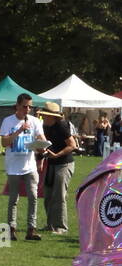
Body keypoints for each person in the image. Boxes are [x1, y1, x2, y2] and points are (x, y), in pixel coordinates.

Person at [0, 92, 45, 241]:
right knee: (13, 199)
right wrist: (19, 130)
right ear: (17, 106)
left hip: (30, 166)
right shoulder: (8, 121)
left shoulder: (35, 121)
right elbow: (4, 143)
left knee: (33, 197)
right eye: (25, 106)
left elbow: (41, 139)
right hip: (13, 167)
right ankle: (11, 229)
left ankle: (31, 230)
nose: (28, 109)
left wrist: (43, 146)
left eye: (30, 107)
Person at [38, 100, 76, 234]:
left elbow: (72, 145)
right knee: (48, 195)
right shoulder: (44, 126)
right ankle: (50, 225)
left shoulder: (62, 126)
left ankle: (61, 227)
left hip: (64, 164)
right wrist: (41, 158)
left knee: (59, 196)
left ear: (53, 116)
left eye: (45, 115)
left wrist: (57, 155)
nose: (43, 117)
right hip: (51, 164)